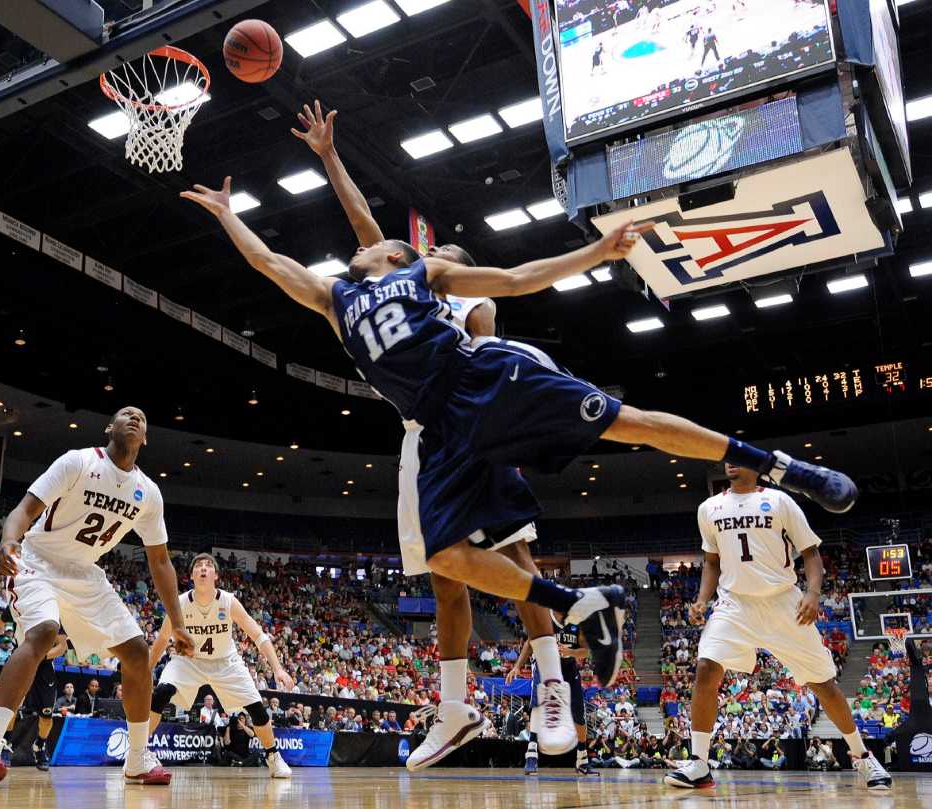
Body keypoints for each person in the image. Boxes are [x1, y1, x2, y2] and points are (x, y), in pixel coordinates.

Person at [182, 163, 858, 745]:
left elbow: (514, 277)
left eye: (389, 241)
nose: (382, 239)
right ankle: (579, 604)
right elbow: (271, 262)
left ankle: (782, 467)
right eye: (385, 239)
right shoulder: (338, 297)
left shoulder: (428, 274)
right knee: (444, 558)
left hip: (485, 380)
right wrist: (231, 213)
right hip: (440, 428)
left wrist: (595, 254)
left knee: (627, 424)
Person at [291, 102, 582, 766]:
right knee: (442, 577)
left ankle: (553, 689)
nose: (423, 255)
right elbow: (364, 228)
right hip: (417, 440)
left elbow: (486, 358)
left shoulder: (469, 299)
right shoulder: (398, 285)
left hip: (474, 421)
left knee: (516, 562)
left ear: (452, 265)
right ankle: (454, 709)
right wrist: (330, 155)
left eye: (437, 254)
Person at [0, 407, 195, 787]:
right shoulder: (79, 462)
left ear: (146, 438)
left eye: (142, 417)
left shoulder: (148, 492)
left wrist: (179, 624)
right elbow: (24, 509)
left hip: (85, 572)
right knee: (43, 632)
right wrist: (8, 541)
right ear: (110, 427)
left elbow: (160, 560)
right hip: (38, 560)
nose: (134, 417)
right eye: (125, 413)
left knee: (136, 652)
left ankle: (136, 757)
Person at [664, 463, 890, 791]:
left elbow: (811, 555)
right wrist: (701, 599)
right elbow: (711, 562)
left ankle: (861, 756)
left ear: (756, 465)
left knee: (823, 685)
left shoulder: (781, 501)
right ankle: (699, 764)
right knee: (705, 669)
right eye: (727, 454)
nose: (731, 460)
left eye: (739, 454)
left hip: (784, 602)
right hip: (734, 605)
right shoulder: (708, 508)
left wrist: (813, 593)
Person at [148, 553, 293, 779]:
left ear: (216, 575)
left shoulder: (228, 601)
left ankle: (273, 756)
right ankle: (138, 752)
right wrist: (147, 669)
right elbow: (161, 639)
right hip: (189, 661)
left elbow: (258, 634)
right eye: (198, 566)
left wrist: (278, 669)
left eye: (208, 566)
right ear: (192, 575)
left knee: (256, 708)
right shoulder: (180, 603)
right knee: (161, 692)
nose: (203, 568)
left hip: (226, 662)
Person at [0, 613, 68, 771]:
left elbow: (62, 647)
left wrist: (40, 655)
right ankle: (5, 743)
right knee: (11, 708)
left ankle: (40, 745)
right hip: (22, 660)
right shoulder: (18, 602)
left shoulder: (53, 613)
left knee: (46, 716)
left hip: (44, 666)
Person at [508, 613, 595, 776]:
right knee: (539, 703)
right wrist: (517, 666)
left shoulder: (577, 621)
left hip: (568, 667)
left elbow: (586, 651)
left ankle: (582, 758)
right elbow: (530, 642)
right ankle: (531, 754)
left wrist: (571, 652)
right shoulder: (543, 618)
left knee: (578, 713)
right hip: (544, 663)